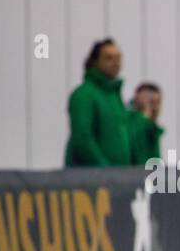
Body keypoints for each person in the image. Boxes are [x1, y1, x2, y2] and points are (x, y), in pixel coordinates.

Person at [65, 39, 132, 167]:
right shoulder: (84, 95)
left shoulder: (114, 97)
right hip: (91, 181)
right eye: (109, 58)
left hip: (118, 179)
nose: (116, 63)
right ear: (95, 62)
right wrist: (104, 170)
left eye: (118, 58)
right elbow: (83, 138)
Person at [128, 82, 165, 165]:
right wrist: (144, 116)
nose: (155, 108)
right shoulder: (129, 125)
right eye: (151, 102)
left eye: (158, 102)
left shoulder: (153, 131)